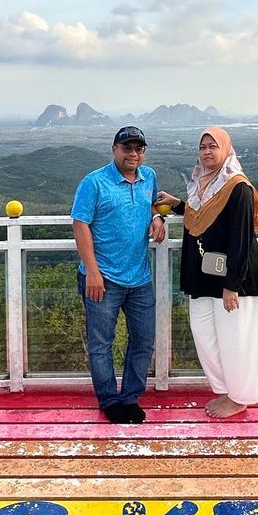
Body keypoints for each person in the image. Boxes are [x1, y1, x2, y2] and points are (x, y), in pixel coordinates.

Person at [157, 128, 258, 418]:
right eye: (203, 146)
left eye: (213, 146)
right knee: (205, 335)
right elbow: (201, 215)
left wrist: (232, 285)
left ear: (226, 150)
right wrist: (177, 203)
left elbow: (241, 237)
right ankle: (226, 389)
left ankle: (240, 397)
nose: (207, 152)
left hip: (232, 279)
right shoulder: (203, 185)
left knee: (236, 338)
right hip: (203, 274)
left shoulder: (238, 187)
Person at [72, 125, 166, 424]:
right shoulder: (94, 182)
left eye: (139, 148)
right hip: (104, 278)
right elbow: (80, 224)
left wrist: (157, 217)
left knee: (144, 340)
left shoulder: (148, 176)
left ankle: (130, 397)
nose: (133, 154)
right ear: (115, 150)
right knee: (101, 342)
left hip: (140, 277)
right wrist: (93, 272)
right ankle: (110, 400)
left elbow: (150, 204)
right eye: (127, 148)